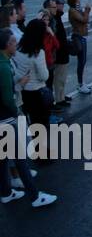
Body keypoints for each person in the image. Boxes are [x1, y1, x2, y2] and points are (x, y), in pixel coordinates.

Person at [0, 30, 56, 208]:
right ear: (7, 45)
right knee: (20, 159)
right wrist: (16, 113)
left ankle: (6, 193)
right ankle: (34, 197)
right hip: (6, 119)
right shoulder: (2, 66)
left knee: (3, 159)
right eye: (14, 42)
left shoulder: (5, 62)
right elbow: (7, 97)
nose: (16, 45)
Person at [13, 18, 52, 135]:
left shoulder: (18, 48)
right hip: (37, 92)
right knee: (40, 124)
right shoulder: (38, 53)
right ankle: (40, 150)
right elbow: (44, 76)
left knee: (27, 123)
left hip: (22, 91)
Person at [45, 0, 71, 113]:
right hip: (57, 55)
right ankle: (57, 100)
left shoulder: (57, 18)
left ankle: (60, 97)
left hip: (60, 53)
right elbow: (53, 40)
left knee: (61, 78)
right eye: (55, 6)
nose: (59, 8)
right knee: (56, 79)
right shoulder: (51, 20)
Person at [66, 0, 91, 95]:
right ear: (74, 0)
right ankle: (80, 84)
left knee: (83, 61)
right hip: (78, 36)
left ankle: (81, 82)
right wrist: (87, 10)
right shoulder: (72, 11)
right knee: (81, 61)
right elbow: (84, 19)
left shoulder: (76, 9)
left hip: (82, 36)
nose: (79, 0)